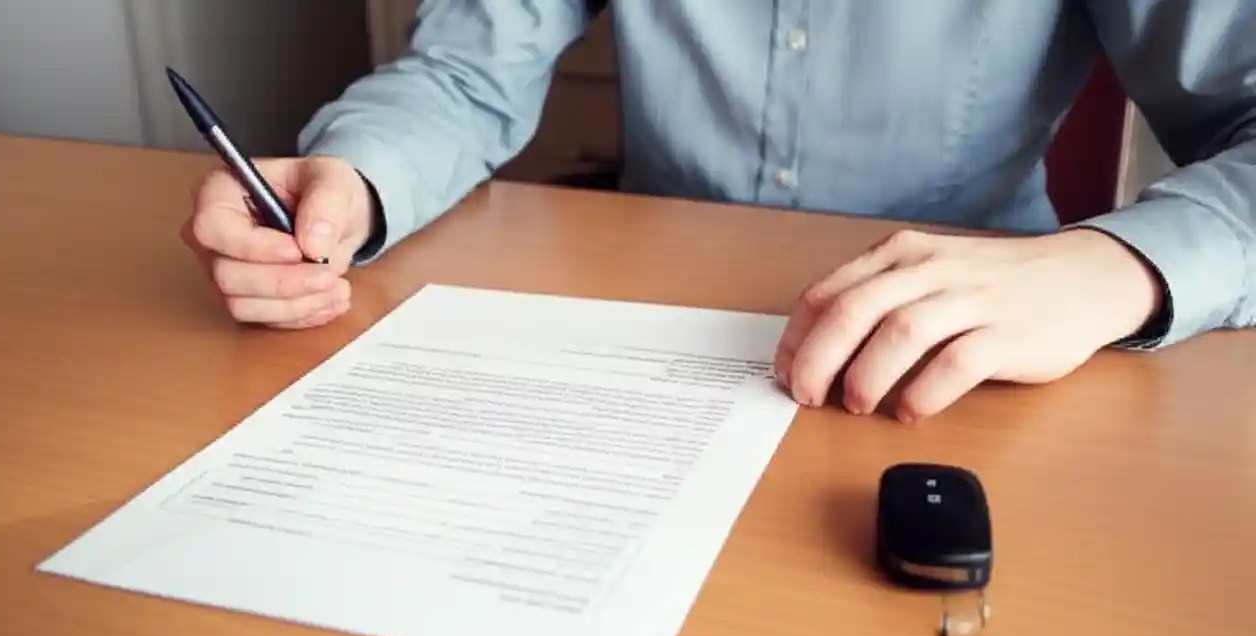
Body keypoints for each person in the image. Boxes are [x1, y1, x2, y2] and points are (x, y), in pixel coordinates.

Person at [181, 1, 1255, 421]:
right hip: (642, 353)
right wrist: (352, 181)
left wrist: (1111, 269)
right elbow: (463, 73)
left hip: (970, 370)